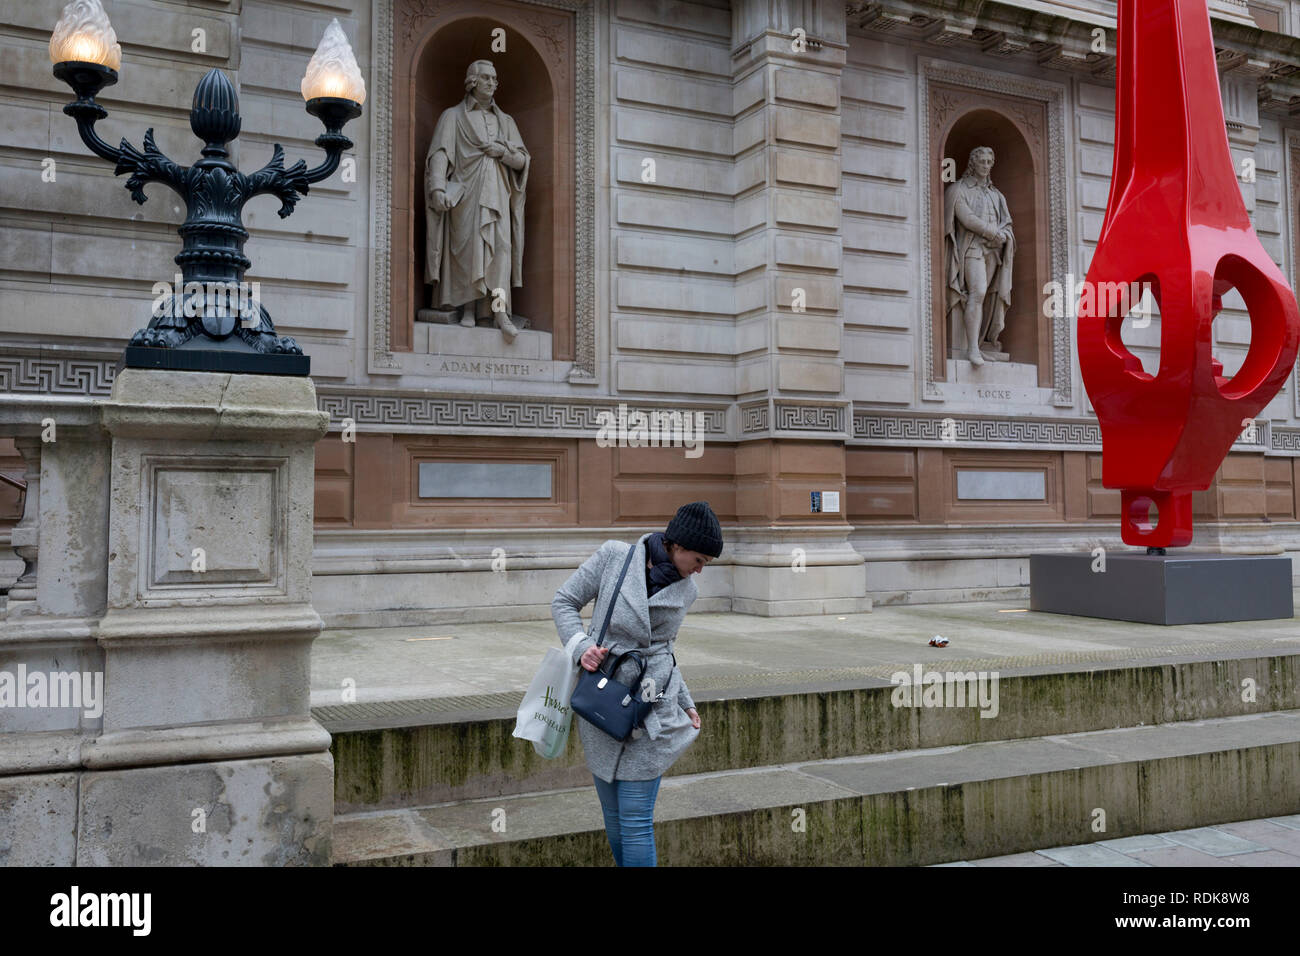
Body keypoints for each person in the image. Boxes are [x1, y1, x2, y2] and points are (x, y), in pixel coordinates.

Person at [551, 501, 724, 866]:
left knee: (636, 820)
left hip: (650, 706)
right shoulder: (614, 557)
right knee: (614, 819)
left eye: (706, 563)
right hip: (601, 700)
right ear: (677, 545)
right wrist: (581, 647)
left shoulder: (687, 590)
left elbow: (667, 652)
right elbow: (564, 601)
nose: (700, 570)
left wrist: (685, 702)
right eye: (699, 559)